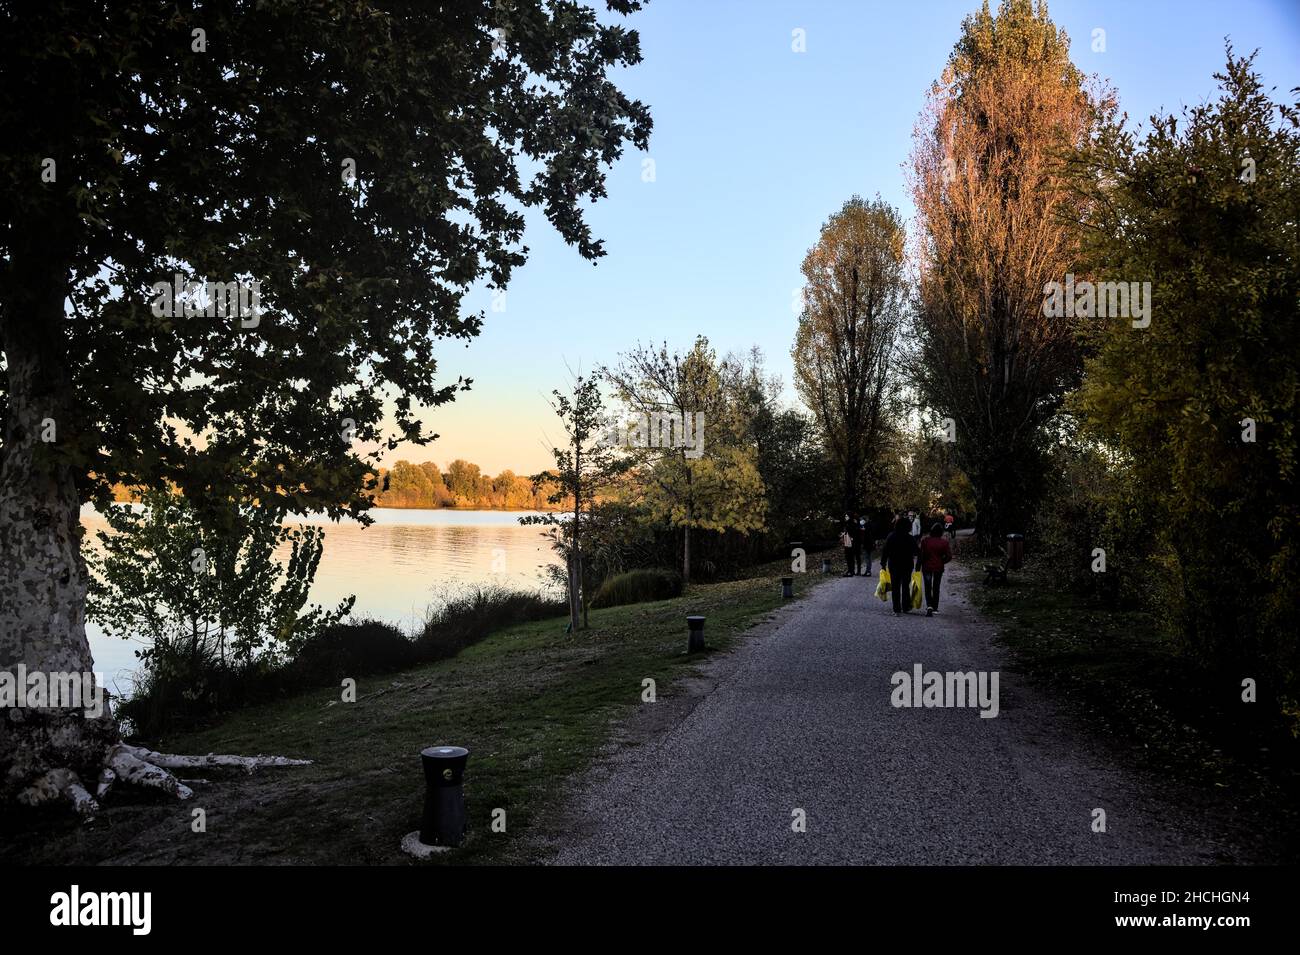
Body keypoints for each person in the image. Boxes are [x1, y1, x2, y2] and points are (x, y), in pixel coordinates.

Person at [879, 516, 920, 615]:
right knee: (905, 585)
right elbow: (917, 552)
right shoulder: (909, 538)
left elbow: (885, 551)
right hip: (907, 565)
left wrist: (883, 563)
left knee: (895, 587)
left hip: (894, 565)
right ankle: (905, 606)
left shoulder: (891, 536)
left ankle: (896, 608)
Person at [919, 522, 953, 616]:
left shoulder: (925, 541)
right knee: (936, 587)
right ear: (941, 532)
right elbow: (949, 556)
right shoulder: (944, 542)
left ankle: (929, 605)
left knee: (928, 586)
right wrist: (943, 561)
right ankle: (935, 607)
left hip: (927, 567)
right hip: (938, 567)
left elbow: (922, 555)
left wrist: (919, 565)